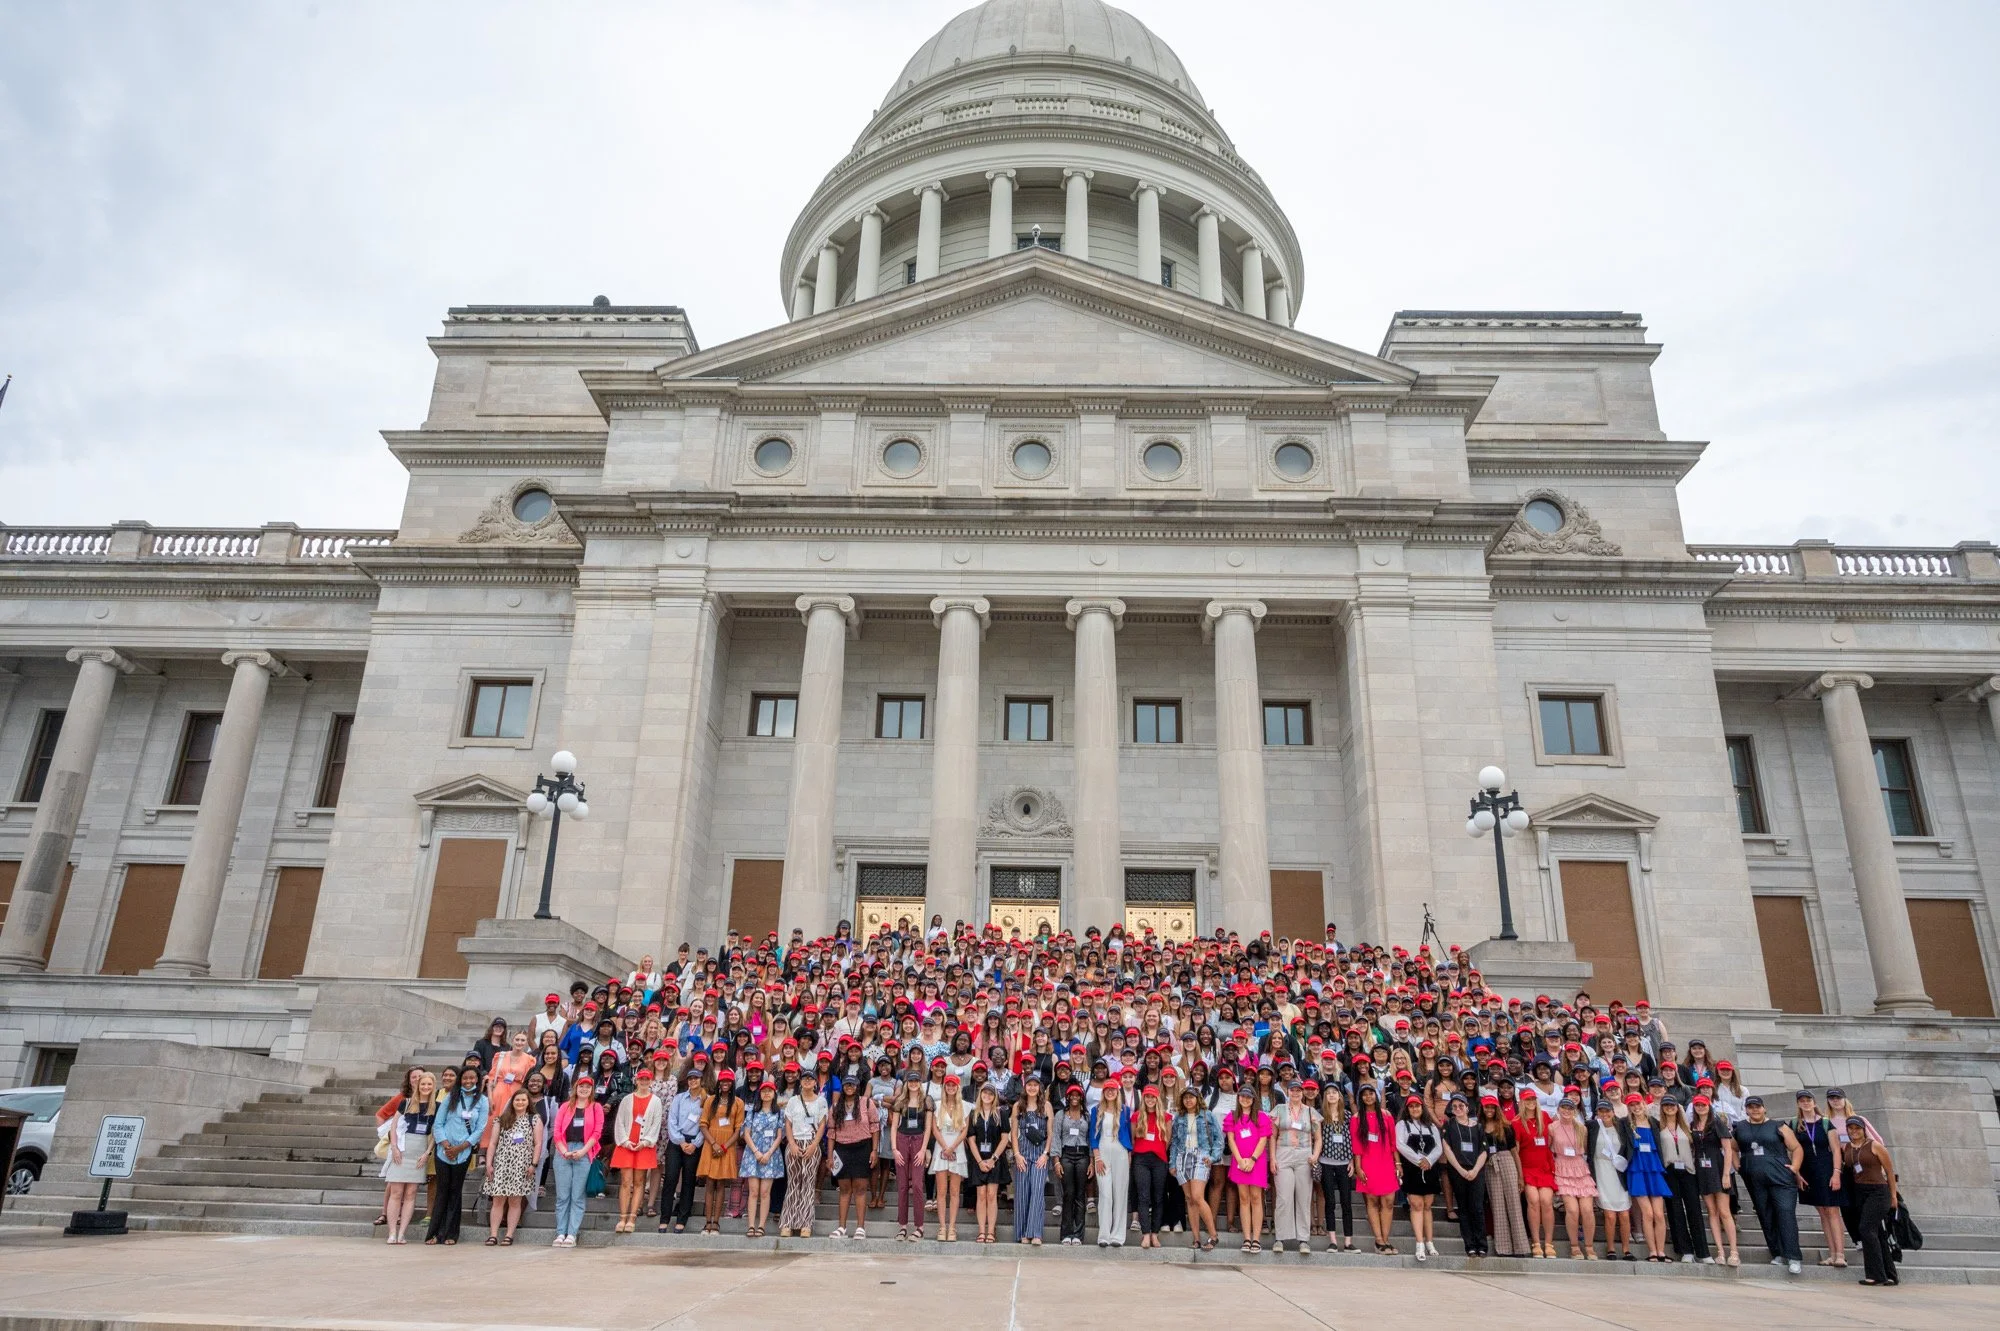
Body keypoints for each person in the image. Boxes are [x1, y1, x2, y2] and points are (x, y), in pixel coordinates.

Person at [1732, 1094, 1805, 1274]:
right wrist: (1737, 1165)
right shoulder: (1740, 1127)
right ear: (1746, 1110)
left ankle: (1793, 1256)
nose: (1754, 1110)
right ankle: (1778, 1253)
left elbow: (1796, 1148)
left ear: (1764, 1108)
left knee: (1785, 1213)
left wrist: (1794, 1168)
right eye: (1751, 1107)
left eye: (1757, 1107)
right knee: (1765, 1214)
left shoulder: (1778, 1125)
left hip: (1780, 1177)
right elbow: (1732, 1148)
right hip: (1754, 1178)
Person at [428, 1065, 486, 1246]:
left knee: (455, 1191)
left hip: (464, 1152)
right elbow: (438, 1123)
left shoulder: (482, 1101)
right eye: (465, 1078)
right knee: (442, 1191)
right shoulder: (450, 1097)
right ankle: (435, 1233)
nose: (468, 1081)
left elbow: (480, 1129)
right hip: (444, 1151)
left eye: (472, 1078)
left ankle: (451, 1233)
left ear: (477, 1079)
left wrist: (460, 1148)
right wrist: (446, 1145)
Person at [377, 1070, 437, 1245]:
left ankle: (402, 1232)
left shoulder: (436, 1106)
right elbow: (394, 1126)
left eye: (429, 1084)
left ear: (433, 1087)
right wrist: (394, 1147)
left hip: (420, 1148)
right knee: (396, 1192)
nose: (425, 1087)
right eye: (423, 1084)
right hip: (403, 1147)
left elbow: (435, 1132)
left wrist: (427, 1153)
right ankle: (392, 1232)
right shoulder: (406, 1102)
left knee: (411, 1193)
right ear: (418, 1085)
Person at [1841, 1117, 1900, 1286]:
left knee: (1866, 1229)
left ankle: (1874, 1274)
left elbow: (1889, 1172)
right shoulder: (1847, 1148)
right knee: (1877, 1233)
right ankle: (1890, 1274)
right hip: (1860, 1192)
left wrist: (1893, 1196)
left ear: (1863, 1129)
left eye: (1857, 1128)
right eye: (1850, 1128)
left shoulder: (1874, 1146)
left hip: (1878, 1191)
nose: (1854, 1131)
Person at [1791, 1089, 1846, 1269]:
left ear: (1814, 1102)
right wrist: (1797, 1173)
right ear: (1798, 1104)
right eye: (1802, 1101)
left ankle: (1840, 1254)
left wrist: (1836, 1172)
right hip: (1808, 1172)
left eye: (1808, 1100)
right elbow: (1792, 1150)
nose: (1806, 1103)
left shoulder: (1825, 1123)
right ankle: (1831, 1252)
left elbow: (1836, 1150)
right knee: (1822, 1213)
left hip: (1827, 1170)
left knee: (1832, 1211)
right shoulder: (1795, 1124)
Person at [548, 1073, 601, 1247]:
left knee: (577, 1195)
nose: (584, 1089)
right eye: (581, 1086)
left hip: (584, 1151)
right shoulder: (565, 1106)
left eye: (588, 1086)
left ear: (591, 1089)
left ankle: (572, 1233)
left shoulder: (595, 1107)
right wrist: (564, 1151)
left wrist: (583, 1151)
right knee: (563, 1195)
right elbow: (557, 1132)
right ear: (576, 1088)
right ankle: (560, 1232)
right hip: (564, 1149)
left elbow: (596, 1133)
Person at [610, 1066, 664, 1234]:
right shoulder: (627, 1099)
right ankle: (622, 1217)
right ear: (636, 1080)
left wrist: (646, 1141)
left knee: (640, 1181)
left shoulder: (655, 1101)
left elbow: (656, 1124)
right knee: (626, 1182)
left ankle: (632, 1217)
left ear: (651, 1082)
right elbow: (619, 1122)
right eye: (641, 1079)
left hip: (644, 1146)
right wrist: (625, 1141)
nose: (644, 1082)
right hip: (627, 1144)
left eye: (647, 1079)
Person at [483, 1088, 539, 1246]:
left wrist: (533, 1164)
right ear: (512, 1102)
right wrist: (489, 1163)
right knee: (497, 1200)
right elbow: (493, 1143)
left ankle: (509, 1234)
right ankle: (493, 1234)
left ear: (528, 1102)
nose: (520, 1103)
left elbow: (538, 1143)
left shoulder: (534, 1119)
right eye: (517, 1100)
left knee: (515, 1201)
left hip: (521, 1165)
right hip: (501, 1163)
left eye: (523, 1100)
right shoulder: (501, 1119)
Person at [1270, 1078, 1318, 1256]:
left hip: (1304, 1155)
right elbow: (1272, 1136)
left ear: (1303, 1092)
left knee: (1304, 1198)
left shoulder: (1310, 1111)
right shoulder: (1279, 1110)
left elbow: (1318, 1137)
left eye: (1299, 1090)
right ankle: (1280, 1237)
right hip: (1283, 1153)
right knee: (1284, 1197)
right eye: (1293, 1090)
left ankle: (1303, 1239)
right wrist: (1273, 1158)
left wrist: (1315, 1155)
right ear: (1288, 1092)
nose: (1296, 1093)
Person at [1690, 1093, 1739, 1266]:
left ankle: (1733, 1251)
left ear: (1708, 1106)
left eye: (1703, 1105)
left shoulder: (1716, 1122)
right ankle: (1720, 1250)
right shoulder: (1693, 1125)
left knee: (1724, 1211)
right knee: (1712, 1211)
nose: (1701, 1107)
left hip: (1717, 1168)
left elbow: (1728, 1149)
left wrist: (1727, 1173)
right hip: (1702, 1170)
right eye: (1697, 1105)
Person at [1170, 1082, 1220, 1251]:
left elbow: (1218, 1139)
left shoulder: (1207, 1115)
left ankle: (1213, 1236)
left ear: (1198, 1099)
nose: (1188, 1101)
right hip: (1182, 1156)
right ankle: (1196, 1238)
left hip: (1201, 1155)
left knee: (1198, 1196)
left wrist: (1212, 1157)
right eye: (1185, 1098)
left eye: (1191, 1097)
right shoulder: (1179, 1118)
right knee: (1190, 1199)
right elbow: (1175, 1142)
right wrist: (1172, 1163)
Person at [829, 1073, 879, 1238]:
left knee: (860, 1188)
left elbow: (874, 1127)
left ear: (858, 1086)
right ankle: (842, 1227)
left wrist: (874, 1150)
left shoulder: (866, 1103)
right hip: (842, 1148)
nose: (849, 1087)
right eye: (846, 1085)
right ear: (843, 1087)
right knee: (844, 1189)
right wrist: (830, 1155)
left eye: (852, 1085)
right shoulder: (836, 1107)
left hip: (862, 1147)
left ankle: (860, 1227)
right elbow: (831, 1132)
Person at [1624, 1092, 1672, 1260]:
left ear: (1644, 1104)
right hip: (1637, 1169)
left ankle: (1661, 1251)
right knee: (1648, 1213)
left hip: (1653, 1168)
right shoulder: (1626, 1124)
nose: (1636, 1107)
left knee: (1659, 1214)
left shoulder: (1654, 1123)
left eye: (1638, 1104)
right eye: (1632, 1105)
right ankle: (1652, 1250)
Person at [1223, 1083, 1271, 1254]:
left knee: (1256, 1197)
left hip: (1256, 1161)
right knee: (1243, 1198)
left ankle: (1256, 1239)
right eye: (1242, 1096)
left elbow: (1263, 1140)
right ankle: (1247, 1238)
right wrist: (1240, 1160)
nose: (1245, 1099)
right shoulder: (1232, 1116)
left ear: (1253, 1099)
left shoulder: (1261, 1117)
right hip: (1239, 1161)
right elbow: (1231, 1140)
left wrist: (1252, 1159)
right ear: (1238, 1098)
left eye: (1248, 1096)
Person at [1397, 1090, 1445, 1260]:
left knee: (1427, 1205)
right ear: (1407, 1108)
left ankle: (1430, 1242)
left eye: (1417, 1105)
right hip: (1413, 1168)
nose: (1415, 1109)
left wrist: (1429, 1161)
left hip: (1430, 1168)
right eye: (1411, 1106)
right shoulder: (1403, 1125)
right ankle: (1419, 1243)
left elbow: (1439, 1147)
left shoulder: (1431, 1126)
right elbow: (1401, 1145)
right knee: (1416, 1204)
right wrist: (1419, 1160)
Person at [1353, 1081, 1399, 1254]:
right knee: (1372, 1201)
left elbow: (1393, 1141)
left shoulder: (1386, 1115)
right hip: (1368, 1162)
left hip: (1386, 1161)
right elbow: (1357, 1145)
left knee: (1388, 1201)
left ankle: (1386, 1239)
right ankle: (1379, 1240)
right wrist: (1358, 1167)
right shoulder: (1357, 1118)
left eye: (1371, 1093)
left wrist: (1398, 1163)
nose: (1368, 1097)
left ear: (1376, 1096)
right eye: (1364, 1094)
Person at [1441, 1094, 1489, 1258]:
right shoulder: (1449, 1126)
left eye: (1461, 1106)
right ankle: (1469, 1245)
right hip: (1457, 1169)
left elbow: (1483, 1151)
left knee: (1477, 1207)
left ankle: (1481, 1244)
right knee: (1464, 1208)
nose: (1458, 1109)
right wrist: (1460, 1170)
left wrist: (1475, 1170)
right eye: (1454, 1107)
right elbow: (1447, 1149)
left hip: (1476, 1170)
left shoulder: (1478, 1127)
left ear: (1467, 1108)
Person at [1513, 1088, 1559, 1259]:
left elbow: (1554, 1137)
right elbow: (1515, 1151)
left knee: (1546, 1201)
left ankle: (1549, 1243)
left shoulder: (1545, 1117)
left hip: (1544, 1167)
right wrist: (1519, 1175)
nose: (1531, 1102)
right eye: (1527, 1100)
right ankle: (1536, 1242)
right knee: (1533, 1201)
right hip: (1527, 1167)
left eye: (1533, 1099)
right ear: (1521, 1102)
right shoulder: (1516, 1122)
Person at [696, 1069, 742, 1234]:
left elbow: (738, 1130)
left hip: (727, 1147)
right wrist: (714, 1143)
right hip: (711, 1144)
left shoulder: (738, 1103)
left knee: (721, 1184)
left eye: (728, 1081)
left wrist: (723, 1147)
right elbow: (703, 1124)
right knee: (709, 1183)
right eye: (722, 1081)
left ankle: (716, 1222)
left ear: (732, 1084)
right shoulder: (710, 1101)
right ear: (718, 1083)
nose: (725, 1084)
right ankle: (707, 1222)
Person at [1587, 1097, 1633, 1259]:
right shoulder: (1592, 1126)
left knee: (1625, 1214)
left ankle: (1626, 1249)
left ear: (1613, 1112)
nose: (1604, 1114)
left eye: (1607, 1110)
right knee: (1610, 1215)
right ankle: (1611, 1248)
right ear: (1597, 1113)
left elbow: (1629, 1147)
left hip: (1618, 1173)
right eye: (1601, 1111)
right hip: (1601, 1171)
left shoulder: (1622, 1126)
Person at [658, 1072, 704, 1234]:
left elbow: (706, 1124)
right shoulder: (679, 1098)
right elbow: (672, 1120)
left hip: (694, 1143)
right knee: (670, 1178)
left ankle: (682, 1219)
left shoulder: (705, 1100)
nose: (693, 1081)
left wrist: (696, 1143)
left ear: (701, 1080)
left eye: (696, 1078)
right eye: (690, 1079)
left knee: (688, 1181)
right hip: (677, 1141)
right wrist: (681, 1141)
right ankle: (664, 1218)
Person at [966, 1082, 1012, 1244]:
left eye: (991, 1094)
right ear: (980, 1095)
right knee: (981, 1195)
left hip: (995, 1159)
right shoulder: (974, 1114)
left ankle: (991, 1231)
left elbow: (1005, 1138)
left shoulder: (1001, 1114)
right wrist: (979, 1161)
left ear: (995, 1097)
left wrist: (993, 1159)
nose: (987, 1096)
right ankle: (981, 1231)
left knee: (992, 1195)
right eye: (985, 1093)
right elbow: (970, 1139)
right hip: (978, 1159)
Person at [742, 1078, 786, 1238]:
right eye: (764, 1091)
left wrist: (767, 1153)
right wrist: (756, 1152)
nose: (767, 1093)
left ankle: (761, 1225)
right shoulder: (753, 1112)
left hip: (771, 1155)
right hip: (753, 1154)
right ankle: (751, 1225)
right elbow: (746, 1133)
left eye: (770, 1091)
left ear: (774, 1094)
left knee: (765, 1192)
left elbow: (779, 1136)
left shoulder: (779, 1113)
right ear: (760, 1094)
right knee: (753, 1191)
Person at [1130, 1083, 1173, 1249]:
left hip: (1159, 1159)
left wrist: (1158, 1150)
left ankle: (1155, 1233)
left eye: (1152, 1097)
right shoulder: (1136, 1116)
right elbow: (1134, 1138)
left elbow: (1167, 1139)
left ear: (1157, 1099)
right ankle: (1145, 1234)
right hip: (1141, 1159)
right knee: (1143, 1196)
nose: (1149, 1100)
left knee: (1158, 1197)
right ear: (1144, 1099)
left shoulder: (1166, 1117)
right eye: (1147, 1097)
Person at [1317, 1083, 1358, 1253]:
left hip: (1344, 1163)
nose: (1332, 1095)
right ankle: (1333, 1240)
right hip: (1326, 1162)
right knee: (1330, 1202)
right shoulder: (1320, 1116)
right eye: (1328, 1093)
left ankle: (1348, 1241)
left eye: (1335, 1092)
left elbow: (1354, 1140)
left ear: (1340, 1096)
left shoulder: (1348, 1116)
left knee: (1346, 1202)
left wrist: (1353, 1161)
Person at [891, 1072, 933, 1240]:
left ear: (920, 1082)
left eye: (916, 1080)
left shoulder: (926, 1101)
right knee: (902, 1185)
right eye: (911, 1081)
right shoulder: (900, 1101)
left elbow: (928, 1128)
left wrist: (923, 1149)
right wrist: (894, 1149)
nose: (913, 1083)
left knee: (917, 1185)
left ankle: (919, 1226)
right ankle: (902, 1226)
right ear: (907, 1083)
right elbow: (894, 1126)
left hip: (918, 1140)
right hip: (902, 1139)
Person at [1012, 1072, 1051, 1247]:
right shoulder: (1018, 1106)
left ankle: (1035, 1232)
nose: (1032, 1088)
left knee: (1037, 1192)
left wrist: (1046, 1153)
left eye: (1035, 1085)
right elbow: (1013, 1134)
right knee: (1022, 1193)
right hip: (1023, 1154)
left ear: (1039, 1088)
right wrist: (1017, 1154)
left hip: (1039, 1155)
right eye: (1029, 1085)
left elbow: (1050, 1134)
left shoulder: (1046, 1106)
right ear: (1025, 1087)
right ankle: (1022, 1232)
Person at [1091, 1079, 1131, 1248]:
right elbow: (1092, 1136)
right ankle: (1104, 1235)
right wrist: (1097, 1158)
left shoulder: (1125, 1111)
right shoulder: (1096, 1110)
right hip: (1103, 1152)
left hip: (1120, 1152)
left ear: (1117, 1092)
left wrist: (1129, 1154)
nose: (1110, 1092)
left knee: (1120, 1194)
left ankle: (1118, 1236)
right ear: (1103, 1092)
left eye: (1113, 1090)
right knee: (1106, 1194)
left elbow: (1129, 1133)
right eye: (1107, 1089)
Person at [929, 1072, 968, 1241]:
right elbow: (934, 1129)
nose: (951, 1088)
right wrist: (945, 1147)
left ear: (957, 1087)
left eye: (953, 1085)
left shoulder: (965, 1106)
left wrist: (952, 1147)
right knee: (941, 1191)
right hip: (941, 1148)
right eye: (948, 1085)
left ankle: (952, 1227)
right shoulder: (937, 1105)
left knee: (954, 1192)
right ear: (945, 1087)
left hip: (957, 1148)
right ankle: (942, 1227)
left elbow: (965, 1130)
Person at [1054, 1082, 1094, 1246]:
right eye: (1072, 1095)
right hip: (1067, 1154)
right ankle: (1066, 1233)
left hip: (1083, 1155)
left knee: (1080, 1195)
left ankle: (1078, 1234)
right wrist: (1056, 1161)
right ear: (1068, 1097)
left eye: (1078, 1095)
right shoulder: (1061, 1115)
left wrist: (1092, 1161)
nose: (1075, 1097)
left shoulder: (1087, 1116)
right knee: (1068, 1194)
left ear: (1081, 1097)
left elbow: (1091, 1139)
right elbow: (1056, 1137)